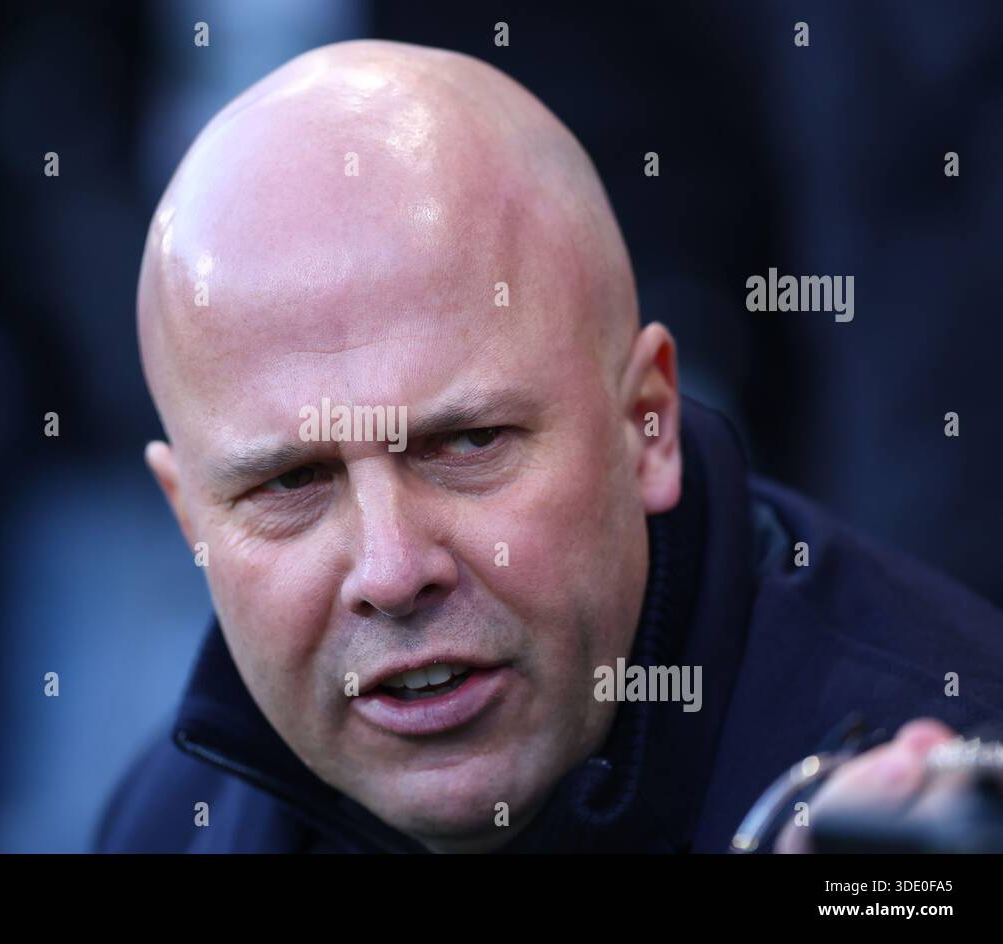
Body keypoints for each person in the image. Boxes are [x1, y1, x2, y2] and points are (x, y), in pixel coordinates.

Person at [97, 40, 1003, 853]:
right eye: (291, 481)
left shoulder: (933, 807)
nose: (391, 568)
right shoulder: (175, 816)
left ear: (647, 426)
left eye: (467, 443)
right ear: (190, 520)